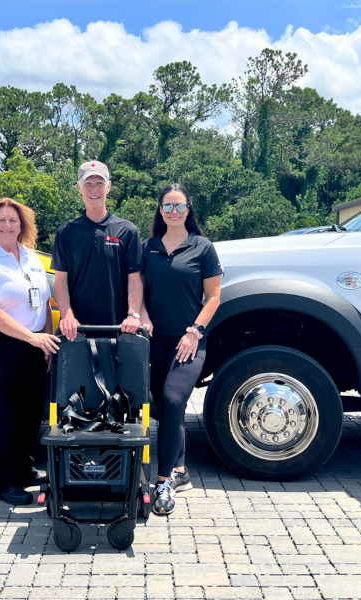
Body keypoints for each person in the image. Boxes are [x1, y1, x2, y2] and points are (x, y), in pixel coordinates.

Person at [0, 198, 61, 506]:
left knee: (30, 413)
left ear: (23, 226)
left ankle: (22, 469)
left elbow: (43, 300)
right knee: (4, 415)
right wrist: (32, 339)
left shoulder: (31, 257)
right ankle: (2, 482)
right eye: (2, 220)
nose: (8, 225)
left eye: (14, 221)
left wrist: (44, 338)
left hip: (34, 346)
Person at [140, 184, 222, 515]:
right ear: (160, 211)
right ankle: (182, 469)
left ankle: (163, 482)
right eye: (168, 207)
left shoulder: (202, 248)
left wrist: (194, 332)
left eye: (180, 206)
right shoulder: (148, 248)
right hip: (152, 340)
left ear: (189, 210)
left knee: (174, 400)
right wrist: (142, 316)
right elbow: (138, 289)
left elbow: (213, 297)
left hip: (187, 342)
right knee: (161, 406)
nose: (174, 212)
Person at [52, 161, 144, 339]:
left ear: (108, 187)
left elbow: (135, 279)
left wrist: (133, 315)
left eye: (99, 183)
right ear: (79, 187)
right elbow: (60, 281)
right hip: (76, 331)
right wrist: (67, 315)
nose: (94, 189)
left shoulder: (127, 230)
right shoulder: (66, 231)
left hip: (120, 329)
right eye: (88, 184)